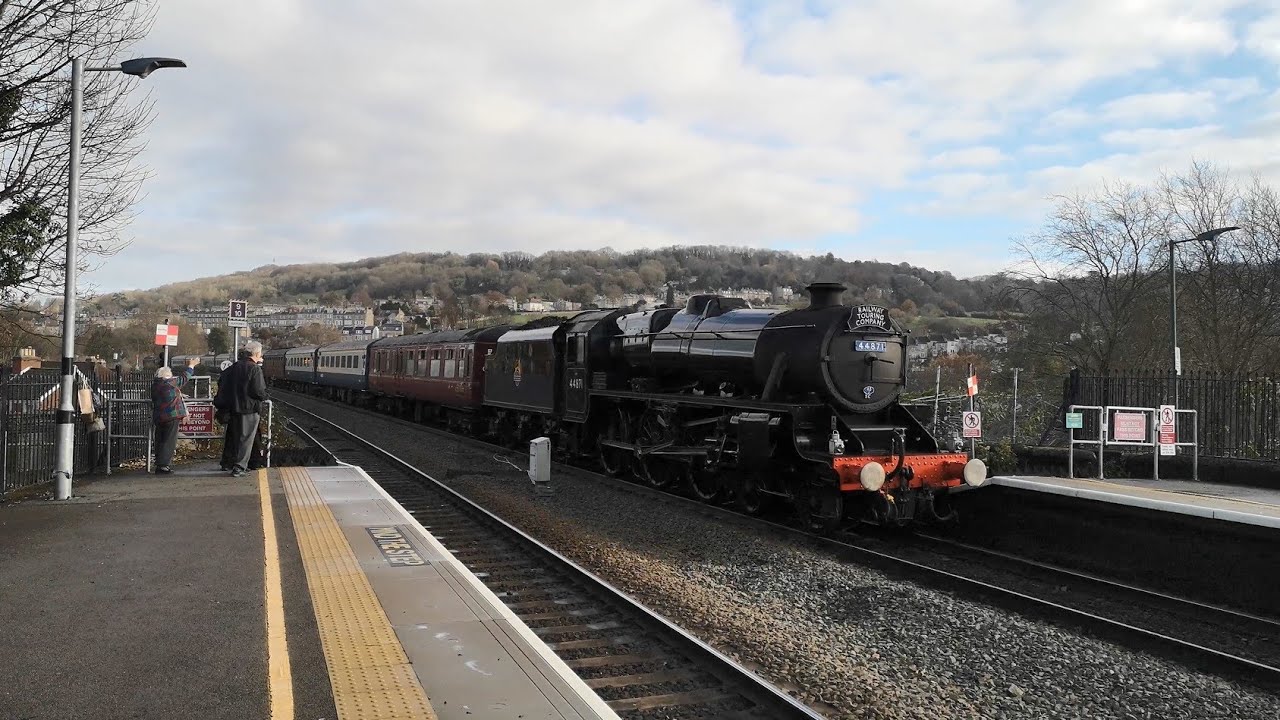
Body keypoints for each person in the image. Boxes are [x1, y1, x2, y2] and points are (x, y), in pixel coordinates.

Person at [216, 340, 269, 477]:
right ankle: (240, 466)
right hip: (249, 409)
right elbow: (258, 391)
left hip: (233, 408)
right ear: (256, 353)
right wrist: (265, 396)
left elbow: (222, 384)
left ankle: (229, 462)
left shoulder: (233, 367)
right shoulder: (254, 368)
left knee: (235, 437)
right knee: (247, 439)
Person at [151, 357, 200, 474]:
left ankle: (159, 462)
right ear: (168, 376)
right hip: (171, 416)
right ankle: (163, 465)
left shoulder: (155, 385)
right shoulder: (171, 383)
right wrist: (191, 365)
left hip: (159, 416)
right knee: (169, 441)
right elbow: (185, 377)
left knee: (159, 440)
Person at [215, 348, 251, 470]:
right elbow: (258, 391)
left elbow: (221, 389)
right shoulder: (250, 369)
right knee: (244, 437)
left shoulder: (228, 371)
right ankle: (242, 464)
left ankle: (227, 462)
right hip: (242, 408)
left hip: (228, 408)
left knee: (231, 436)